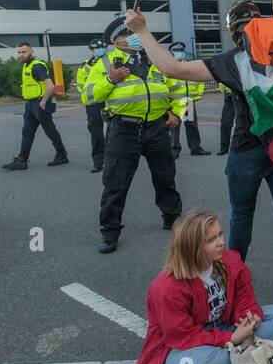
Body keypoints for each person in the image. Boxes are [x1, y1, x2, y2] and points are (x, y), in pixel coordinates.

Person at [124, 0, 273, 303]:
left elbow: (171, 68)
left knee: (242, 215)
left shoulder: (233, 60)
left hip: (246, 148)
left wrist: (141, 30)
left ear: (233, 31)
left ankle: (233, 281)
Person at [134, 210, 273, 364]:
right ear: (191, 248)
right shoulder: (166, 288)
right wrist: (232, 338)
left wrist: (249, 316)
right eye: (211, 240)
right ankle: (262, 356)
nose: (220, 242)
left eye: (220, 234)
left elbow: (244, 295)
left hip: (222, 326)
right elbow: (181, 337)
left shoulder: (227, 260)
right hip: (183, 348)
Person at [82, 16, 187, 253]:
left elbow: (179, 90)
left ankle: (172, 217)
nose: (137, 37)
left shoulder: (156, 59)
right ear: (117, 41)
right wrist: (111, 79)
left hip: (157, 128)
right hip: (124, 130)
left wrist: (177, 113)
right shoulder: (105, 62)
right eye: (129, 35)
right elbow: (88, 96)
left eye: (137, 33)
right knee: (115, 183)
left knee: (165, 176)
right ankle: (110, 232)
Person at [2, 41, 69, 171]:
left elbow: (50, 86)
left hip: (40, 103)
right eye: (19, 52)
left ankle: (62, 155)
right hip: (30, 104)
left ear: (32, 52)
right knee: (27, 132)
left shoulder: (37, 66)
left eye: (24, 52)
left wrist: (43, 102)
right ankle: (22, 160)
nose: (21, 54)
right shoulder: (27, 66)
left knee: (50, 130)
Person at [166, 41, 211, 158]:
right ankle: (174, 150)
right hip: (176, 103)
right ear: (171, 53)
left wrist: (198, 94)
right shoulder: (168, 67)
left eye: (182, 51)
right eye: (177, 51)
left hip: (189, 101)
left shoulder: (188, 66)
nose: (181, 53)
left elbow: (199, 80)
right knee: (174, 127)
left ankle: (195, 148)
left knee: (192, 125)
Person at [77, 40, 108, 173]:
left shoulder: (112, 61)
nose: (100, 50)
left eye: (103, 47)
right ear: (91, 50)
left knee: (118, 128)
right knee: (96, 132)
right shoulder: (85, 66)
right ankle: (98, 161)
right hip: (94, 102)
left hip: (111, 100)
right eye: (97, 48)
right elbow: (81, 86)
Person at [218, 83, 234, 155]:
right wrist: (225, 91)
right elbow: (221, 81)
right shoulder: (225, 71)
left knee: (245, 123)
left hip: (242, 97)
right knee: (225, 124)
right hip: (229, 98)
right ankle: (224, 147)